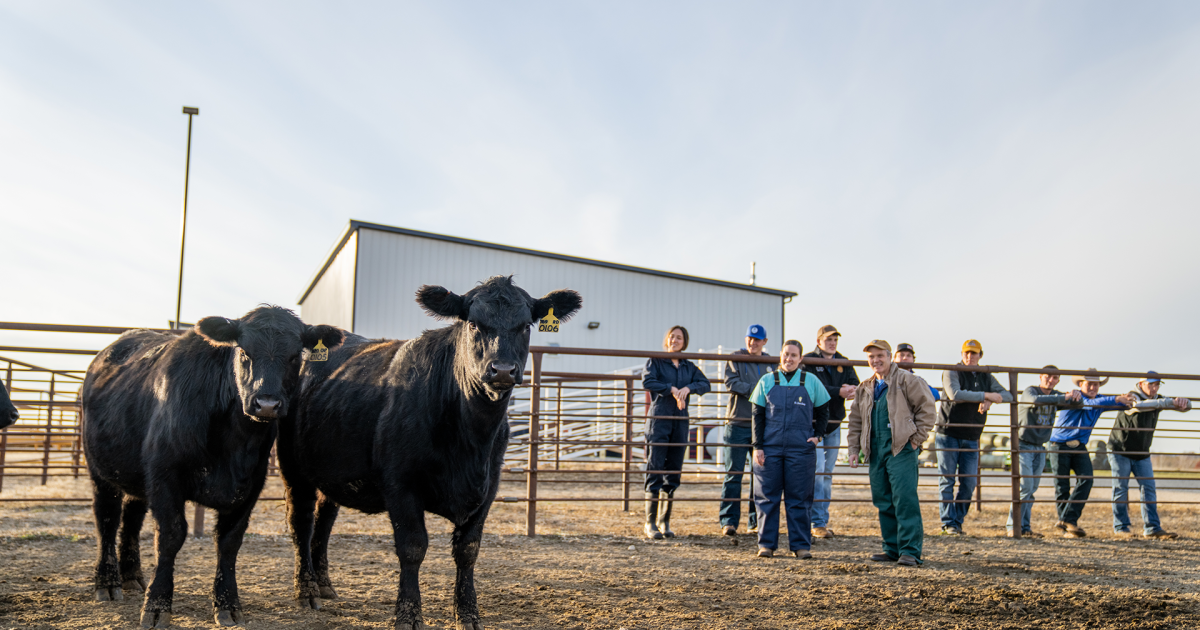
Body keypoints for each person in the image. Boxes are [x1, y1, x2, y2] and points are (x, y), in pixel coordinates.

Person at [846, 340, 937, 567]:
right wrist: (854, 449)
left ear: (889, 357)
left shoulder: (908, 380)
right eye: (871, 357)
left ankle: (910, 551)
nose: (875, 360)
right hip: (876, 449)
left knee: (904, 498)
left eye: (880, 356)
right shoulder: (865, 387)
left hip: (901, 448)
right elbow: (855, 420)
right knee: (883, 499)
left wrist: (916, 440)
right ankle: (891, 548)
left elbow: (927, 409)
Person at [749, 340, 831, 558]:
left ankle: (801, 546)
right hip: (770, 447)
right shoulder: (766, 381)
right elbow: (756, 415)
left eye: (794, 355)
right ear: (780, 355)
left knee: (800, 497)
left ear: (800, 358)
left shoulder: (811, 381)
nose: (789, 359)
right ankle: (766, 545)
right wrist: (758, 446)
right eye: (786, 354)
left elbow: (824, 410)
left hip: (801, 448)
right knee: (767, 496)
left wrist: (818, 436)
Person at [935, 339, 1012, 536]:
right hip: (949, 432)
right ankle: (948, 523)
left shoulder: (987, 376)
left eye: (974, 353)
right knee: (947, 480)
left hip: (972, 435)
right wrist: (985, 396)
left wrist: (990, 401)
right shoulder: (951, 370)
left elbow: (1008, 395)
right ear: (961, 354)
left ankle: (957, 521)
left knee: (969, 482)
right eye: (966, 353)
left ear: (980, 355)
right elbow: (955, 394)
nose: (970, 357)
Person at [641, 325, 711, 540]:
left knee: (674, 468)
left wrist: (689, 388)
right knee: (655, 465)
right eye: (672, 337)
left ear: (684, 341)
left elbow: (705, 383)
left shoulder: (689, 366)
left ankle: (665, 520)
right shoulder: (656, 361)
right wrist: (671, 389)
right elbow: (647, 380)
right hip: (660, 418)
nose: (675, 340)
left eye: (679, 338)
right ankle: (650, 522)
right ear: (666, 340)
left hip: (680, 420)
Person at [1048, 369, 1134, 538]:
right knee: (1062, 485)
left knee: (1087, 479)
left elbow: (1122, 404)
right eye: (1090, 384)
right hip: (1059, 445)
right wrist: (1116, 398)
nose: (1093, 387)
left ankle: (1066, 520)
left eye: (1096, 384)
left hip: (1079, 446)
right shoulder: (1075, 397)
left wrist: (1128, 398)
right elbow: (1089, 404)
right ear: (1081, 384)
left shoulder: (1100, 402)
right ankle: (1068, 526)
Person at [1107, 371, 1191, 539]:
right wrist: (1168, 402)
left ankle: (1152, 528)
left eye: (1157, 384)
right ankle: (1121, 528)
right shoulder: (1131, 396)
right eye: (1151, 384)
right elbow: (1140, 406)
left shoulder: (1159, 399)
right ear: (1141, 383)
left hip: (1142, 452)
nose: (1154, 388)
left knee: (1149, 489)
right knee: (1120, 488)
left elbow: (1185, 407)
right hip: (1120, 449)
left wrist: (1184, 403)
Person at [802, 325, 859, 539]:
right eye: (828, 339)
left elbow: (855, 384)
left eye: (835, 339)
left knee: (826, 474)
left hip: (834, 425)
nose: (832, 342)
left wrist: (847, 390)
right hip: (813, 425)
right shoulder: (808, 360)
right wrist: (839, 391)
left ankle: (820, 521)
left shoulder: (843, 362)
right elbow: (811, 388)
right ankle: (813, 520)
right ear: (818, 341)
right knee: (816, 472)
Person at [719, 325, 773, 536]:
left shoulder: (770, 361)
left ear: (764, 342)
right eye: (750, 338)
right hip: (737, 422)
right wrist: (759, 390)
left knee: (758, 474)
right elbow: (731, 383)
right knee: (733, 474)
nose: (753, 342)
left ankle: (754, 520)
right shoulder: (736, 358)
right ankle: (728, 521)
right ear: (746, 338)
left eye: (757, 339)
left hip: (761, 425)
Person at [1005, 366, 1068, 538]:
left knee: (1032, 488)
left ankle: (1025, 526)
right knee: (1025, 486)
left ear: (1058, 380)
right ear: (1041, 377)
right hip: (1023, 444)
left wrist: (1075, 395)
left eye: (1055, 378)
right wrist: (1065, 397)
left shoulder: (1056, 395)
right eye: (1047, 376)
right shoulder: (1030, 390)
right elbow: (1033, 400)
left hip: (1040, 446)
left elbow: (1074, 402)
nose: (1050, 380)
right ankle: (1013, 525)